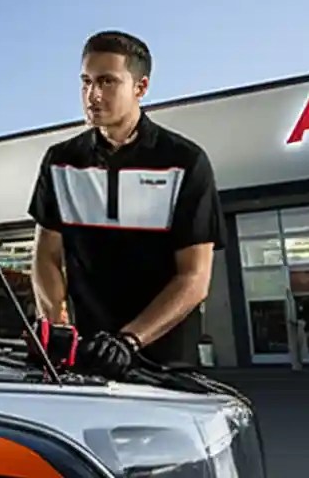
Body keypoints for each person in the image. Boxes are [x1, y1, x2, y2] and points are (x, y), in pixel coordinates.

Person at [28, 30, 226, 378]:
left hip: (164, 361)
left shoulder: (185, 161)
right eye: (86, 82)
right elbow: (46, 256)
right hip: (85, 357)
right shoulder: (60, 161)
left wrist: (129, 340)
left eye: (107, 82)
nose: (93, 95)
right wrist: (56, 322)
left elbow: (194, 277)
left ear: (141, 87)